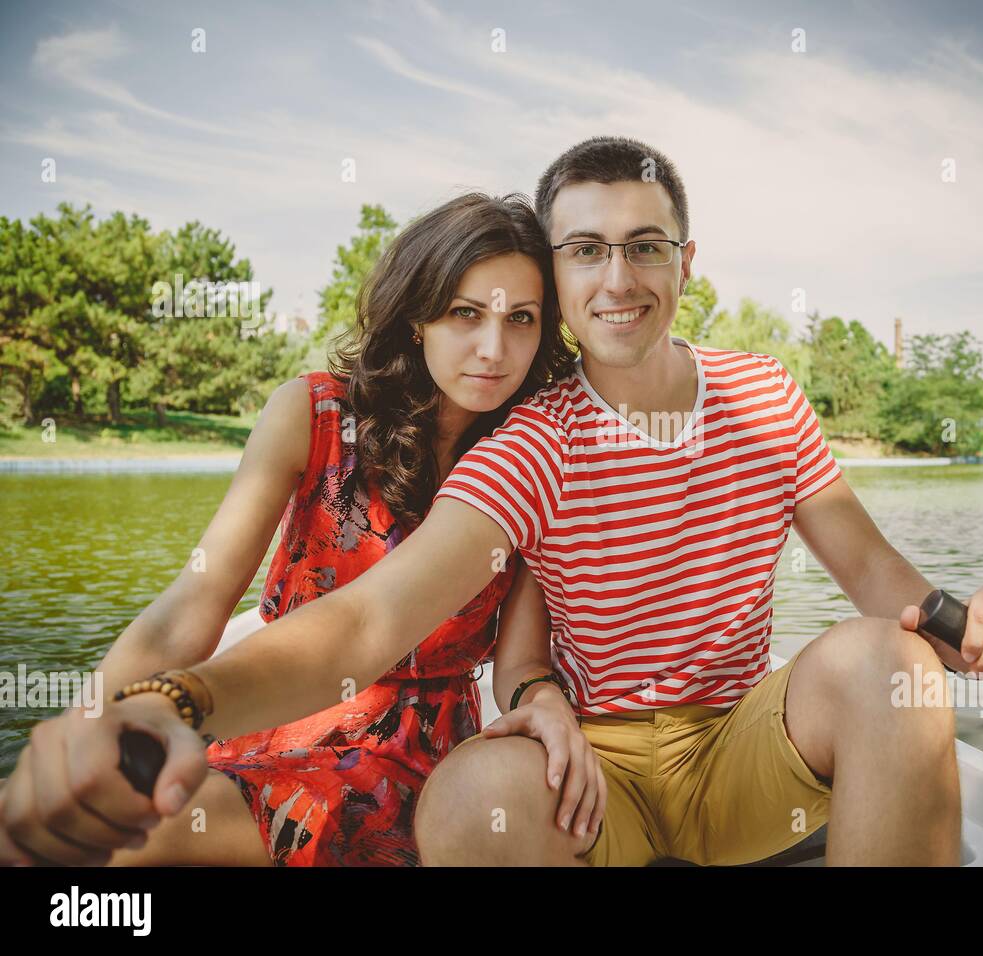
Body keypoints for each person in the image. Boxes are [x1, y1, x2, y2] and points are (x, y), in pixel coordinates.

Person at [1, 138, 983, 867]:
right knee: (72, 845)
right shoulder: (479, 435)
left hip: (668, 743)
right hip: (460, 746)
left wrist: (979, 630)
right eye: (584, 250)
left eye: (643, 245)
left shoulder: (705, 405)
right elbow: (335, 617)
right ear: (418, 317)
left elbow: (876, 582)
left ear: (685, 264)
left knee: (889, 659)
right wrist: (129, 707)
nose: (492, 345)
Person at [0, 192, 595, 866]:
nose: (494, 348)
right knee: (63, 824)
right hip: (258, 714)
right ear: (416, 318)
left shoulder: (535, 459)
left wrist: (544, 701)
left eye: (520, 319)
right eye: (465, 313)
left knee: (143, 839)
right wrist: (84, 734)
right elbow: (193, 602)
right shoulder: (312, 415)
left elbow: (520, 661)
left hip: (408, 761)